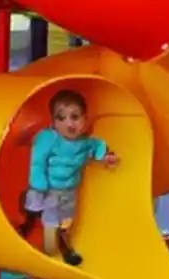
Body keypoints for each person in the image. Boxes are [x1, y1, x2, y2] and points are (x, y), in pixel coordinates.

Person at [18, 90, 119, 266]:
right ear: (54, 123)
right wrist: (39, 184)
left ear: (85, 120)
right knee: (38, 210)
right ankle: (29, 224)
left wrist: (106, 156)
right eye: (61, 118)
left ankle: (64, 247)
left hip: (69, 190)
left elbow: (97, 148)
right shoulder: (50, 139)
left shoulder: (86, 142)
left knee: (65, 220)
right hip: (46, 188)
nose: (69, 123)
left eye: (75, 117)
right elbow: (38, 161)